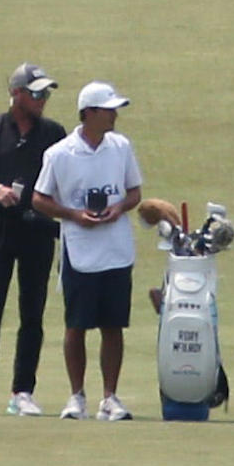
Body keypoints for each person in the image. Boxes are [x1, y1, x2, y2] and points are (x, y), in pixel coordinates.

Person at [32, 84, 148, 425]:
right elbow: (40, 198)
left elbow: (134, 192)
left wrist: (118, 209)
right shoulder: (60, 153)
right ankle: (77, 395)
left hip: (116, 248)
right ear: (88, 114)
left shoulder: (121, 147)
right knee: (76, 325)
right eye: (108, 109)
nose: (114, 114)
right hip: (79, 249)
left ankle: (109, 397)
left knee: (113, 325)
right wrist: (74, 215)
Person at [0, 65, 69, 418]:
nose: (42, 100)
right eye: (36, 93)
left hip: (37, 230)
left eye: (46, 94)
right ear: (17, 94)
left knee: (32, 313)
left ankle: (22, 390)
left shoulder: (53, 133)